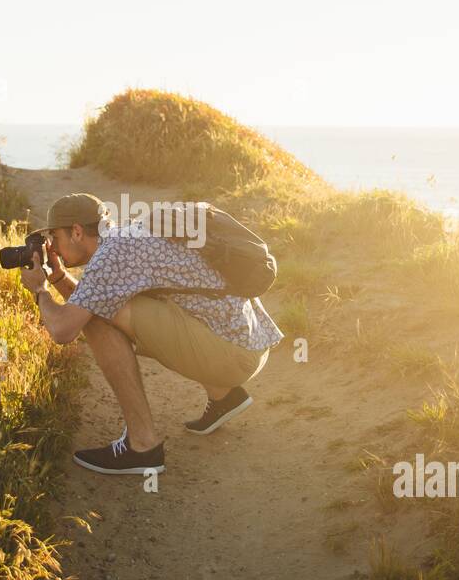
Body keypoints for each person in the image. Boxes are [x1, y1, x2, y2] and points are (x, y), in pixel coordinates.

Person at [19, 192, 283, 476]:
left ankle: (142, 446)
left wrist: (40, 289)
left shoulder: (111, 256)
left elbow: (62, 330)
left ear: (77, 232)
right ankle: (224, 395)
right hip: (248, 342)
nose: (52, 248)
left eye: (54, 237)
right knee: (100, 306)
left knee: (98, 318)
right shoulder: (126, 237)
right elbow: (88, 301)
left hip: (232, 355)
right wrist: (58, 276)